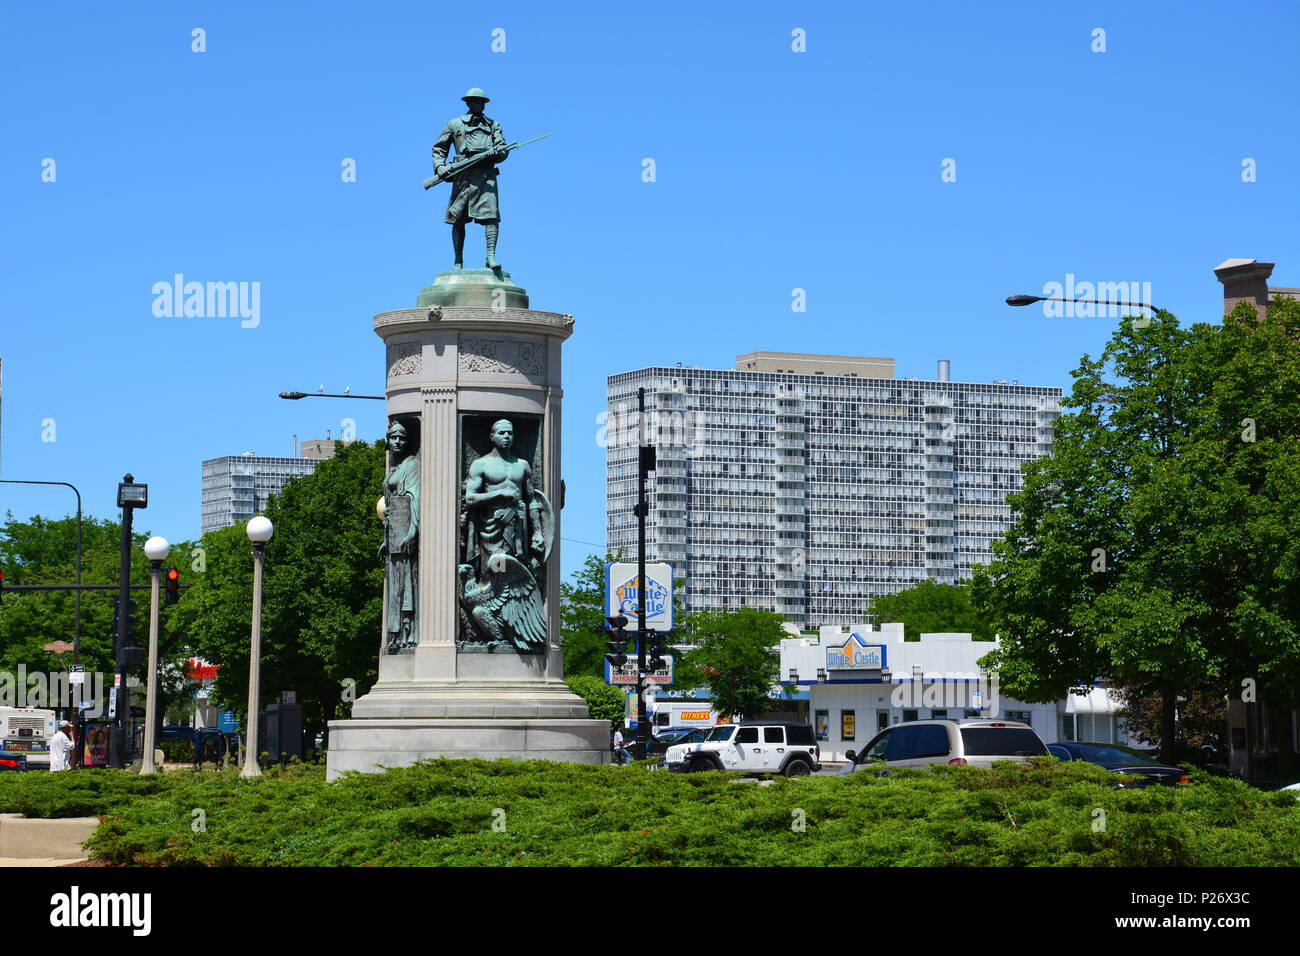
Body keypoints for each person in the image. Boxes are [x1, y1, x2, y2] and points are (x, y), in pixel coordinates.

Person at [432, 88, 510, 270]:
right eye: (475, 101)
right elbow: (439, 148)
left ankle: (491, 257)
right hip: (463, 176)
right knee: (458, 218)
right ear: (468, 103)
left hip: (486, 177)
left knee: (491, 217)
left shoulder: (493, 125)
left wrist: (500, 153)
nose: (479, 104)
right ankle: (458, 260)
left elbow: (503, 149)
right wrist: (440, 166)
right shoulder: (454, 124)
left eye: (482, 102)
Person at [380, 419, 421, 650]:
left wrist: (413, 531)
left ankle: (406, 632)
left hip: (405, 536)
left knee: (404, 586)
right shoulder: (394, 468)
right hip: (394, 536)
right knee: (394, 587)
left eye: (402, 438)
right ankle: (395, 634)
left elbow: (415, 498)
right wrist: (386, 539)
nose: (397, 442)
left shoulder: (411, 465)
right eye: (393, 437)